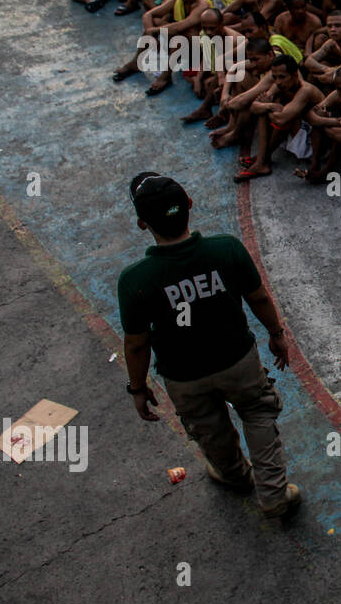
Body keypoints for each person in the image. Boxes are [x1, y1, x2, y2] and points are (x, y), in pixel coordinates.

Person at [116, 173, 300, 519]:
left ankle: (234, 475)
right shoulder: (226, 248)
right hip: (238, 361)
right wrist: (276, 333)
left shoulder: (135, 280)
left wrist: (138, 388)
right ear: (188, 204)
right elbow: (257, 296)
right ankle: (273, 494)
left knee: (209, 427)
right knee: (258, 413)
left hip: (184, 377)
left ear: (142, 223)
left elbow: (137, 345)